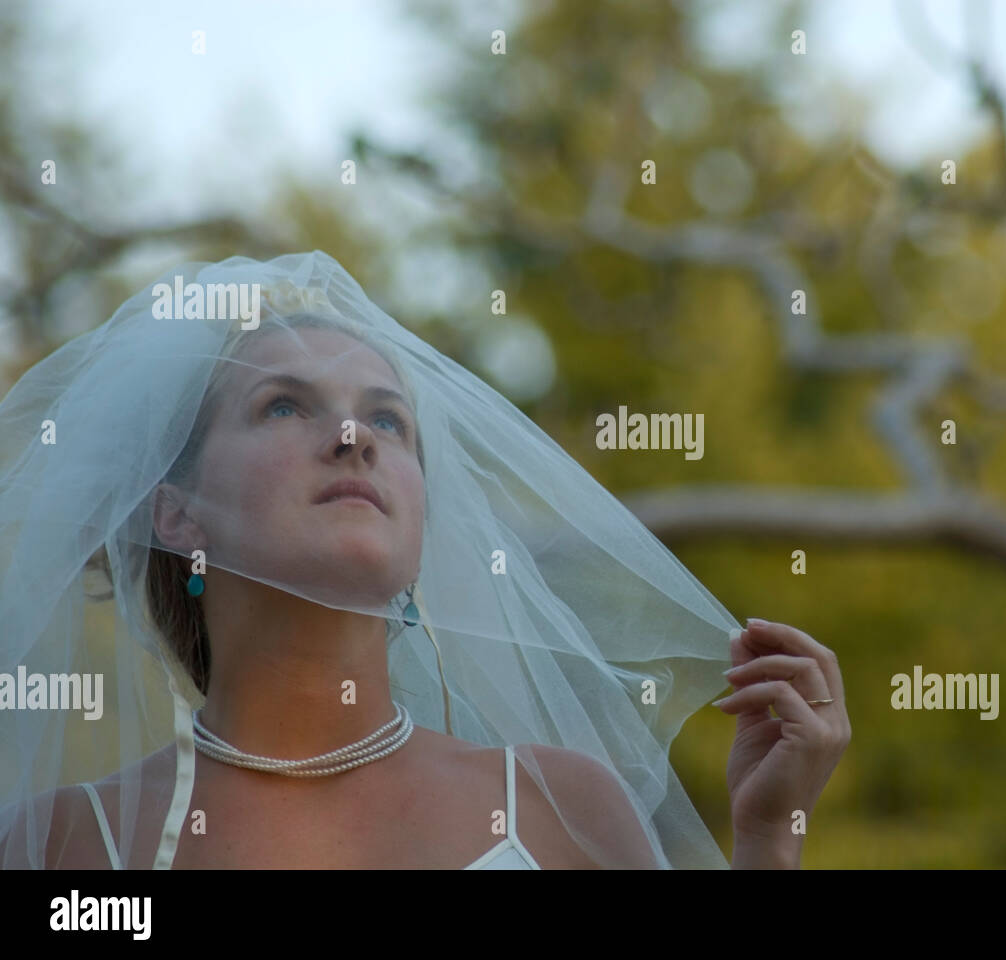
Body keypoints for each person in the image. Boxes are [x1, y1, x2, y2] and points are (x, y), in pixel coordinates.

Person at [0, 251, 848, 869]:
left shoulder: (560, 810)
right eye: (284, 405)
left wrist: (770, 842)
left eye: (388, 420)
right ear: (175, 512)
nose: (351, 438)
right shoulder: (70, 845)